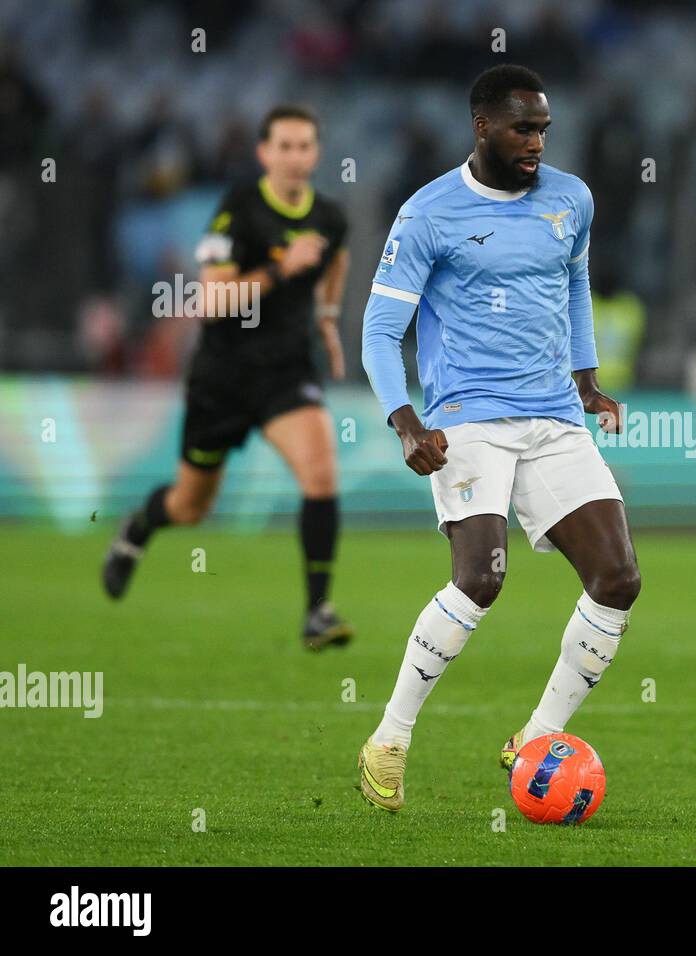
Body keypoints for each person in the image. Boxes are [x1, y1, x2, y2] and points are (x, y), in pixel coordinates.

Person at [356, 65, 641, 813]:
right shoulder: (428, 214)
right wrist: (405, 418)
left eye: (544, 128)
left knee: (619, 580)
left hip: (552, 415)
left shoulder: (571, 199)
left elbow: (573, 286)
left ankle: (538, 736)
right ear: (482, 127)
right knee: (481, 578)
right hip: (468, 419)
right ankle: (389, 739)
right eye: (523, 128)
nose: (537, 142)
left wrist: (585, 378)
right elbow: (381, 331)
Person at [101, 104, 354, 651]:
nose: (294, 156)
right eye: (283, 146)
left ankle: (317, 610)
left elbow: (336, 260)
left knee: (321, 472)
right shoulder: (238, 209)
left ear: (316, 153)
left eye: (304, 146)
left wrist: (329, 321)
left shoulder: (330, 218)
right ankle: (138, 529)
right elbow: (212, 302)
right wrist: (279, 269)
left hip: (286, 372)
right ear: (264, 153)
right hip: (222, 377)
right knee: (190, 508)